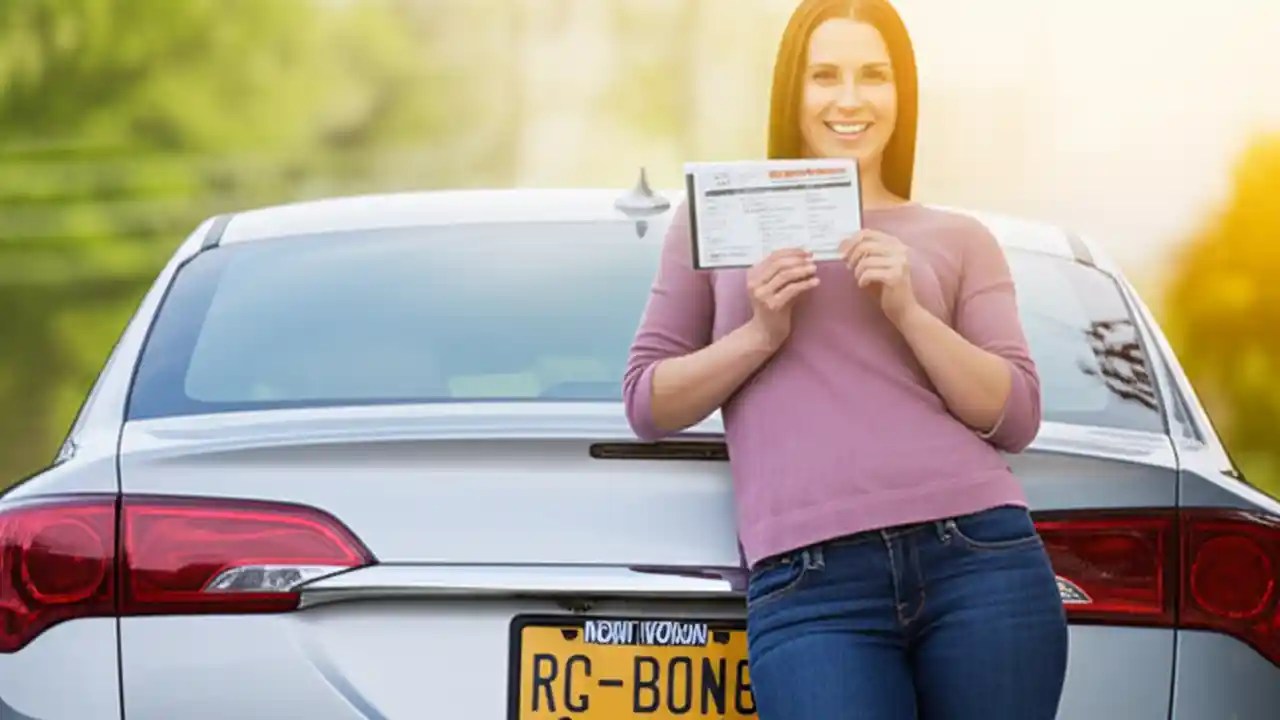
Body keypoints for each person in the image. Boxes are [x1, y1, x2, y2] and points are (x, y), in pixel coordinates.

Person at [621, 0, 1069, 717]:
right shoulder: (717, 218)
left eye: (875, 76)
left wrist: (909, 311)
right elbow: (647, 402)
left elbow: (1014, 415)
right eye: (825, 75)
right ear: (792, 91)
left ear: (903, 94)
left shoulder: (960, 238)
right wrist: (760, 335)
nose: (851, 99)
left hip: (979, 560)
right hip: (810, 587)